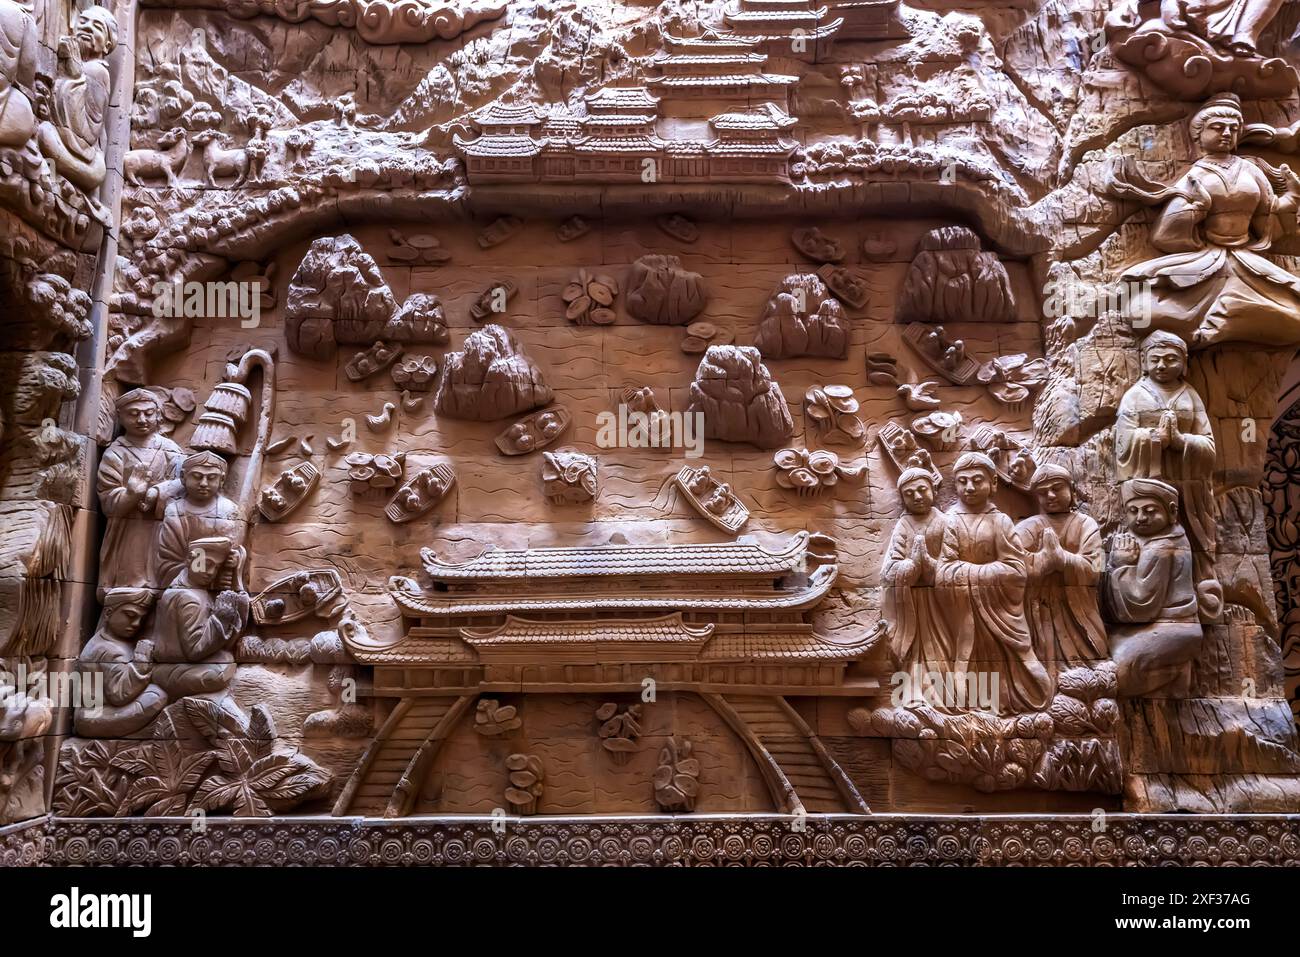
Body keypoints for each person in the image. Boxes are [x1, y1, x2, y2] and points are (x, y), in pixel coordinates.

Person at [1118, 93, 1300, 348]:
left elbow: (1267, 221)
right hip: (1206, 262)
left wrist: (1292, 196)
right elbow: (1163, 236)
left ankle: (1231, 315)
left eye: (1233, 129)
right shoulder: (1195, 176)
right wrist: (1198, 210)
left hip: (1246, 262)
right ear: (1198, 134)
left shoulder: (1251, 170)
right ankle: (1229, 316)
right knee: (1139, 311)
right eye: (1217, 127)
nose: (1226, 133)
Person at [936, 452, 1052, 714]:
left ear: (993, 484)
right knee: (969, 657)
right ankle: (970, 704)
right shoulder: (951, 520)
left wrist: (967, 573)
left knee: (1009, 665)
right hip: (965, 611)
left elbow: (1015, 569)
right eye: (962, 481)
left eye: (978, 480)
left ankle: (1013, 701)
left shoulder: (1000, 521)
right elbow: (943, 570)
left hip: (1001, 612)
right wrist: (970, 574)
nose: (970, 487)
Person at [1105, 478, 1221, 697]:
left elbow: (1141, 605)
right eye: (1133, 510)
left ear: (1171, 511)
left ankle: (1175, 674)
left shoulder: (1163, 546)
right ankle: (1173, 671)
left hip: (1174, 626)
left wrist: (1123, 565)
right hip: (1151, 626)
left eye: (1150, 511)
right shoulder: (1154, 537)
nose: (1140, 518)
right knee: (1100, 653)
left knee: (1116, 673)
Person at [1114, 330, 1216, 573]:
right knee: (1150, 531)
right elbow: (1123, 445)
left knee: (1193, 542)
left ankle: (1201, 585)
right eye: (1155, 359)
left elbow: (1209, 444)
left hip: (1189, 482)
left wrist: (1181, 441)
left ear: (1184, 363)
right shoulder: (1134, 396)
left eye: (1170, 359)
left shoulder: (1190, 395)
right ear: (1144, 362)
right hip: (1150, 479)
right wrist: (1153, 438)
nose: (1161, 365)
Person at [1014, 465, 1108, 678]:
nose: (1050, 495)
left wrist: (1062, 559)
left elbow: (1096, 569)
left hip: (1080, 609)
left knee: (1092, 662)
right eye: (1042, 492)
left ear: (1072, 490)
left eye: (1057, 488)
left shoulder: (1087, 524)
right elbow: (1013, 564)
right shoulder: (1028, 527)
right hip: (1039, 611)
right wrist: (1043, 561)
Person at [96, 388, 183, 592]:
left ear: (158, 414)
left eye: (148, 413)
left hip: (166, 530)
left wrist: (158, 491)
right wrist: (130, 494)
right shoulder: (115, 454)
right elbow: (108, 502)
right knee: (132, 589)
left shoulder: (170, 449)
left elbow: (185, 483)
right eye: (134, 414)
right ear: (121, 418)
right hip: (130, 534)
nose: (142, 419)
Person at [881, 468, 955, 704]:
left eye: (922, 490)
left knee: (944, 650)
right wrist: (912, 565)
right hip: (911, 605)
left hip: (941, 602)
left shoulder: (945, 523)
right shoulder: (903, 526)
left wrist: (931, 565)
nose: (917, 497)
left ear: (933, 490)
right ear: (902, 499)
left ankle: (946, 697)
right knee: (916, 655)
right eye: (909, 494)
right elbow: (889, 570)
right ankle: (915, 697)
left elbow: (955, 564)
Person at [151, 536, 248, 700]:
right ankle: (91, 707)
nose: (211, 572)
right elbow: (195, 650)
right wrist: (220, 619)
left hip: (179, 667)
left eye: (216, 567)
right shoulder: (188, 598)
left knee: (225, 662)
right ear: (190, 559)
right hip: (171, 670)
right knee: (222, 669)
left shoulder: (194, 590)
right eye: (207, 564)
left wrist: (234, 575)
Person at [74, 588, 168, 737]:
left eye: (141, 619)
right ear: (108, 613)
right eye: (130, 615)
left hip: (96, 713)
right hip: (94, 716)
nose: (136, 624)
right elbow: (119, 695)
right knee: (156, 696)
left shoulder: (111, 640)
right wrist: (140, 666)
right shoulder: (106, 650)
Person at [154, 450, 246, 590]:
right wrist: (205, 572)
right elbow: (168, 561)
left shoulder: (229, 510)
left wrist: (235, 560)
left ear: (221, 480)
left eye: (211, 478)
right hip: (185, 586)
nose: (203, 483)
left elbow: (233, 549)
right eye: (197, 477)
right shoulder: (175, 512)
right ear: (183, 477)